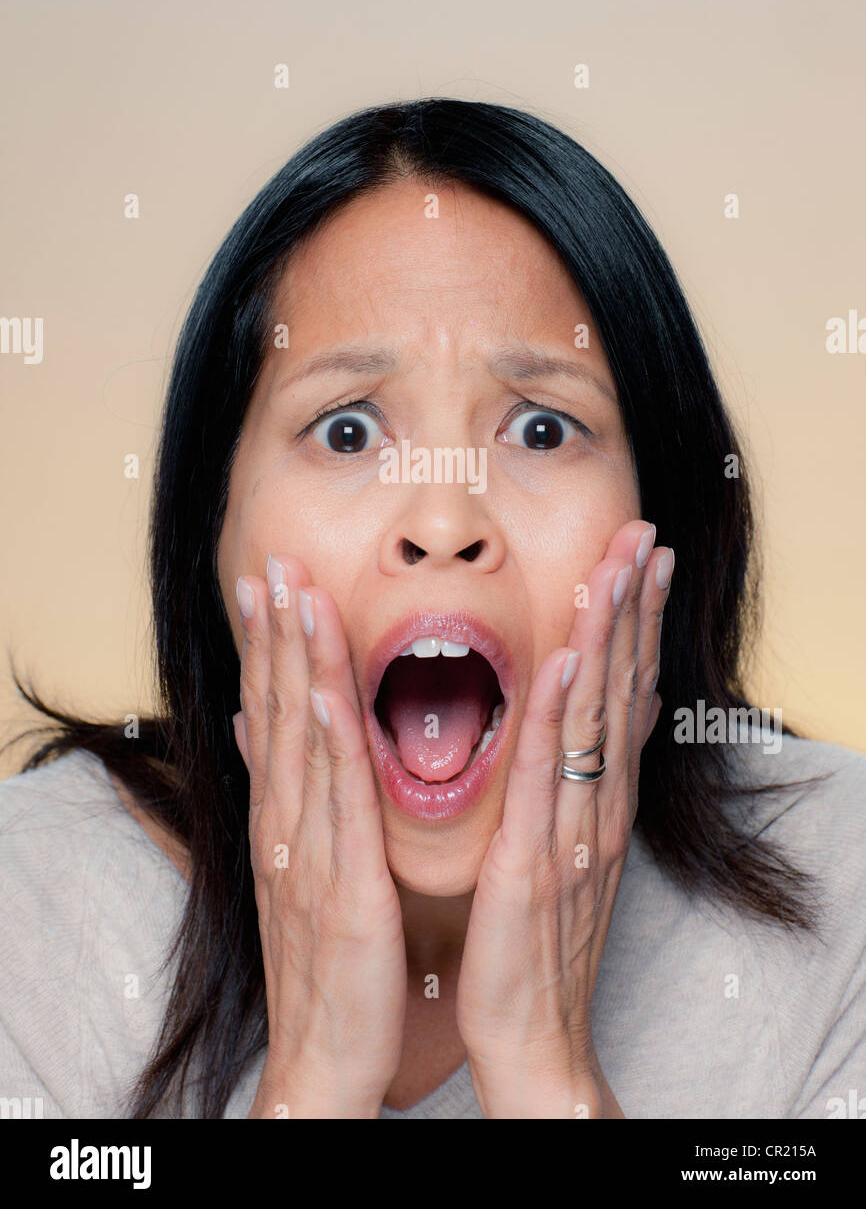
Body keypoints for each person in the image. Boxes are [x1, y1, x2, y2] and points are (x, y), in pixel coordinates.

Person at [1, 99, 863, 1119]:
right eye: (348, 430)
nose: (443, 518)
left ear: (664, 516)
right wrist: (314, 1084)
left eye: (542, 428)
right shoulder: (35, 915)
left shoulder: (839, 892)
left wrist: (545, 1070)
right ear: (212, 528)